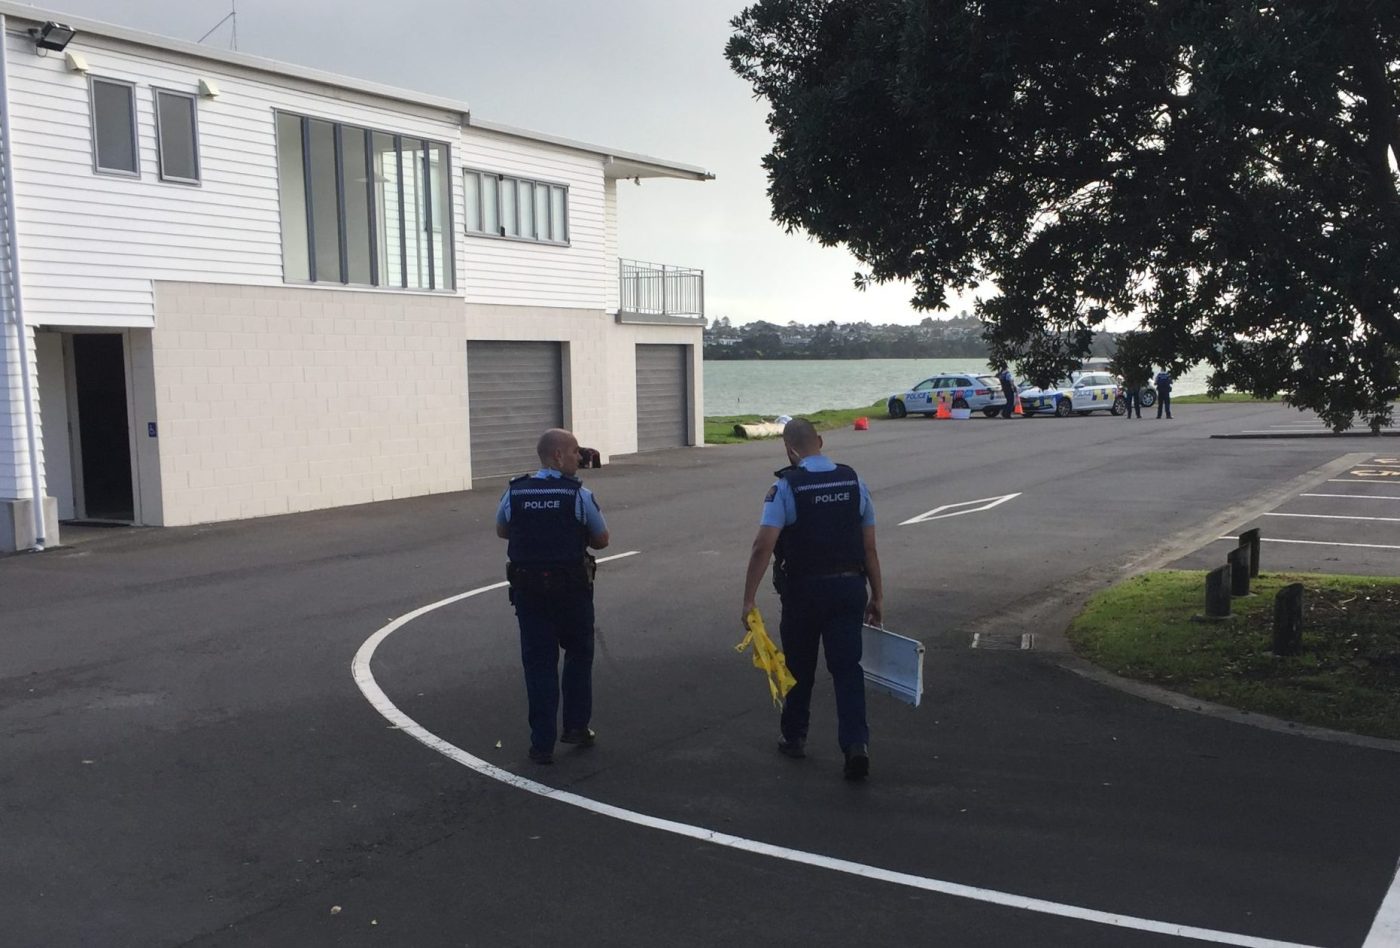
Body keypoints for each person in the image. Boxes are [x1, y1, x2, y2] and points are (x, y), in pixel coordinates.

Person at [741, 418, 884, 780]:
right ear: (819, 441)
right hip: (850, 588)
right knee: (847, 669)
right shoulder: (854, 481)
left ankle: (795, 737)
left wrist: (748, 599)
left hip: (804, 591)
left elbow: (763, 545)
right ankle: (856, 745)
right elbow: (870, 547)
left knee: (800, 668)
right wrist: (878, 596)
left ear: (790, 450)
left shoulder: (786, 487)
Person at [496, 428, 609, 765]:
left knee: (539, 665)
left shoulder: (515, 491)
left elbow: (503, 529)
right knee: (577, 655)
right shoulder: (577, 494)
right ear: (559, 456)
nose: (580, 457)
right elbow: (602, 539)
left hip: (529, 594)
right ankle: (576, 726)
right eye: (575, 452)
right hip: (571, 591)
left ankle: (541, 743)